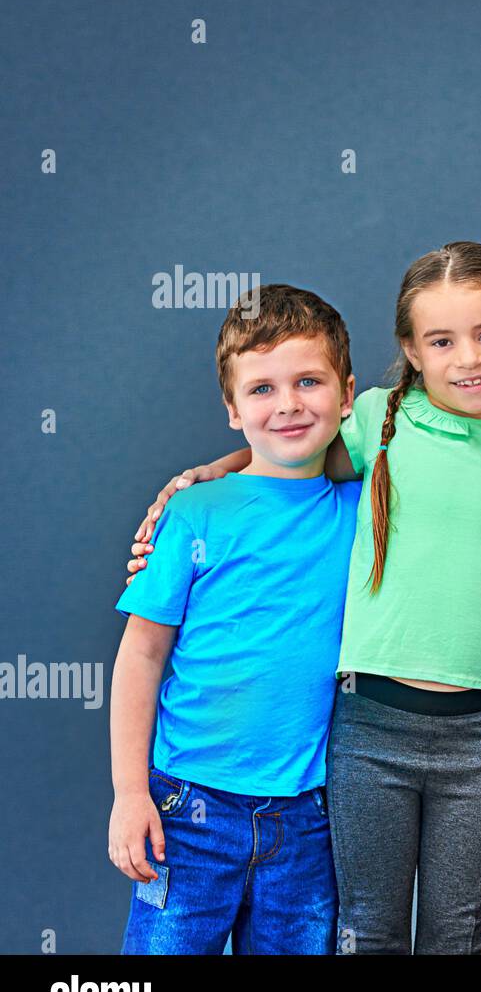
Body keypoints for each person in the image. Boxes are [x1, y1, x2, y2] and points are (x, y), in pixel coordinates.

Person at [124, 244, 481, 953]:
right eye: (441, 340)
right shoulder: (377, 427)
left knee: (456, 933)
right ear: (410, 352)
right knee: (367, 929)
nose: (468, 357)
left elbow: (300, 441)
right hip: (341, 741)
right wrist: (209, 471)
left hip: (464, 738)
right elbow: (287, 453)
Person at [109, 284, 361, 953]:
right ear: (231, 407)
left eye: (309, 381)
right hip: (184, 810)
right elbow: (140, 654)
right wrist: (129, 793)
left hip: (308, 816)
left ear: (347, 392)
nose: (287, 404)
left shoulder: (363, 507)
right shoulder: (194, 514)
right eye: (261, 389)